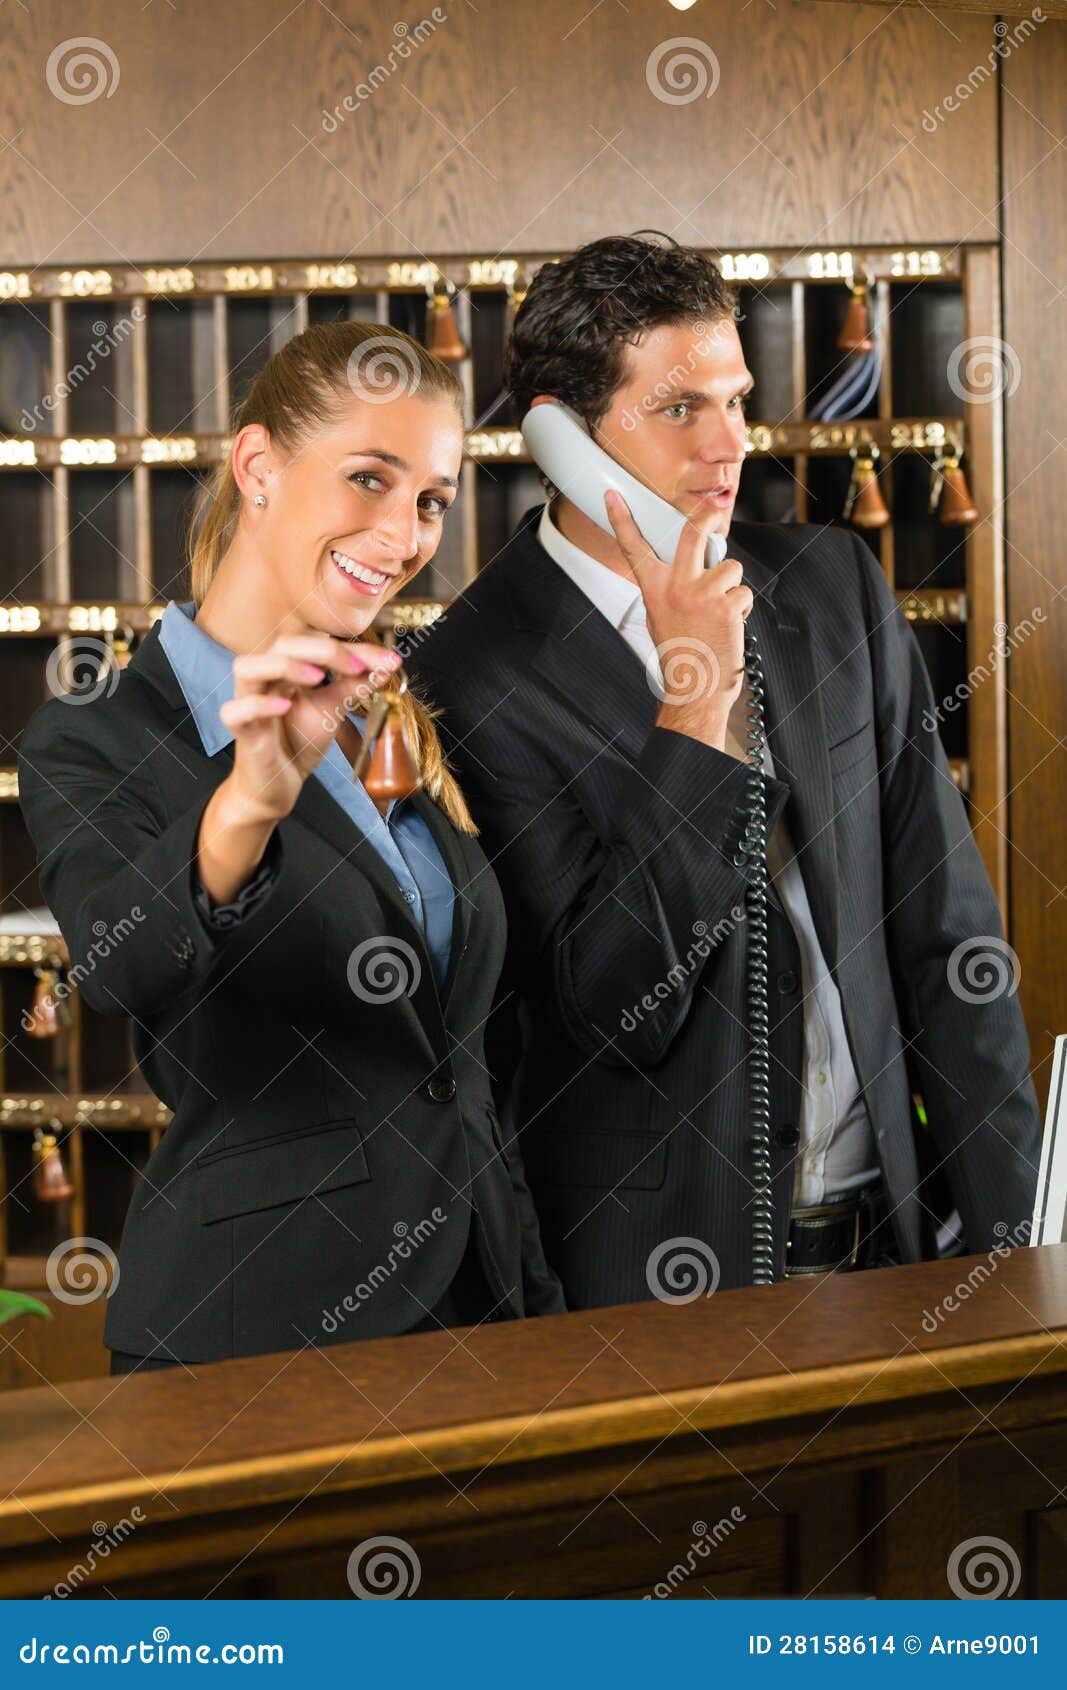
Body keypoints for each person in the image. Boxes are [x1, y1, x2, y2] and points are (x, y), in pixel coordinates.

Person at [407, 231, 1043, 1306]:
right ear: (560, 436)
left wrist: (1014, 1242)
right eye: (676, 408)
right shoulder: (471, 674)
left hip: (891, 1249)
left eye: (734, 399)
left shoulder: (832, 583)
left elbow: (945, 937)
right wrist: (692, 701)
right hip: (653, 1292)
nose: (727, 445)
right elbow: (613, 1004)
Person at [17, 321, 565, 1373]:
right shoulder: (101, 739)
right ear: (259, 466)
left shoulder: (396, 715)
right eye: (369, 478)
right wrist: (248, 801)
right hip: (258, 1334)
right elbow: (121, 965)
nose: (404, 535)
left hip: (481, 1314)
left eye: (430, 500)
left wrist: (531, 1297)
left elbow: (462, 1068)